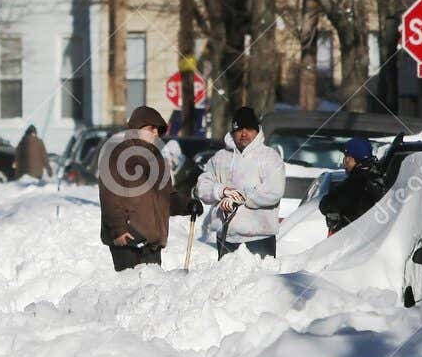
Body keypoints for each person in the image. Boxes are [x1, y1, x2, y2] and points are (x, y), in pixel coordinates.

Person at [98, 105, 200, 272]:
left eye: (158, 130)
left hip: (152, 242)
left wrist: (187, 205)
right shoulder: (117, 155)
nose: (155, 133)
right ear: (137, 128)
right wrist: (118, 229)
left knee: (152, 295)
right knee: (131, 293)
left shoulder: (157, 160)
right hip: (127, 240)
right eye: (151, 128)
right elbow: (110, 197)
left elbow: (167, 197)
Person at [194, 105, 284, 259]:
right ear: (233, 132)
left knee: (259, 282)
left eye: (249, 129)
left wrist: (241, 197)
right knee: (227, 282)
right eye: (239, 129)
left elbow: (274, 191)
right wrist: (221, 191)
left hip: (259, 238)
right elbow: (202, 186)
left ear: (257, 130)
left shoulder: (269, 157)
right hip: (226, 236)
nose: (244, 134)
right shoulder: (220, 157)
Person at [319, 137, 387, 232]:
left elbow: (329, 203)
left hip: (354, 237)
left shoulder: (357, 181)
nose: (345, 163)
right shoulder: (377, 175)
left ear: (357, 159)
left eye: (347, 159)